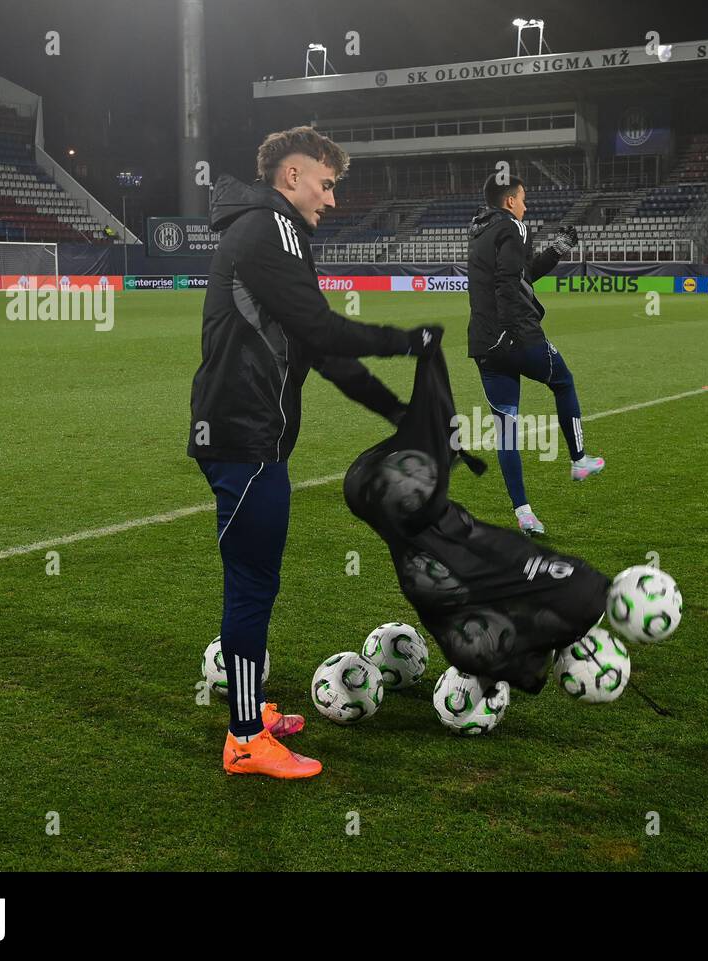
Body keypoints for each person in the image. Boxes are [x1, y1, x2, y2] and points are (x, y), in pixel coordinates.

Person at [188, 127, 441, 780]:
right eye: (327, 184)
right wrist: (405, 340)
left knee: (255, 582)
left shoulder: (274, 231)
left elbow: (319, 351)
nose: (332, 199)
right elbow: (325, 328)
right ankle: (245, 737)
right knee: (252, 583)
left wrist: (395, 409)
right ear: (293, 175)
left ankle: (251, 711)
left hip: (249, 434)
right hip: (243, 438)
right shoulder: (270, 230)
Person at [466, 173, 604, 535]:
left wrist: (556, 250)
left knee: (506, 428)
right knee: (563, 381)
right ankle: (578, 460)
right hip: (515, 338)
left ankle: (524, 512)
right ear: (510, 201)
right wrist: (521, 332)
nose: (526, 206)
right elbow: (508, 283)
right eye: (523, 199)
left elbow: (521, 274)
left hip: (483, 344)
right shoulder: (514, 226)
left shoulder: (479, 230)